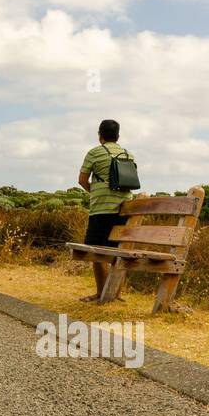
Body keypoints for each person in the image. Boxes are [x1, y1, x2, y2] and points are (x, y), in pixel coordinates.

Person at [77, 119, 138, 303]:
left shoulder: (94, 152)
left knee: (96, 252)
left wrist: (95, 191)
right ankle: (116, 293)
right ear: (118, 136)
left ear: (100, 135)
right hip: (124, 210)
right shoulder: (129, 154)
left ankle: (101, 293)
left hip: (101, 210)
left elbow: (81, 180)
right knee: (118, 252)